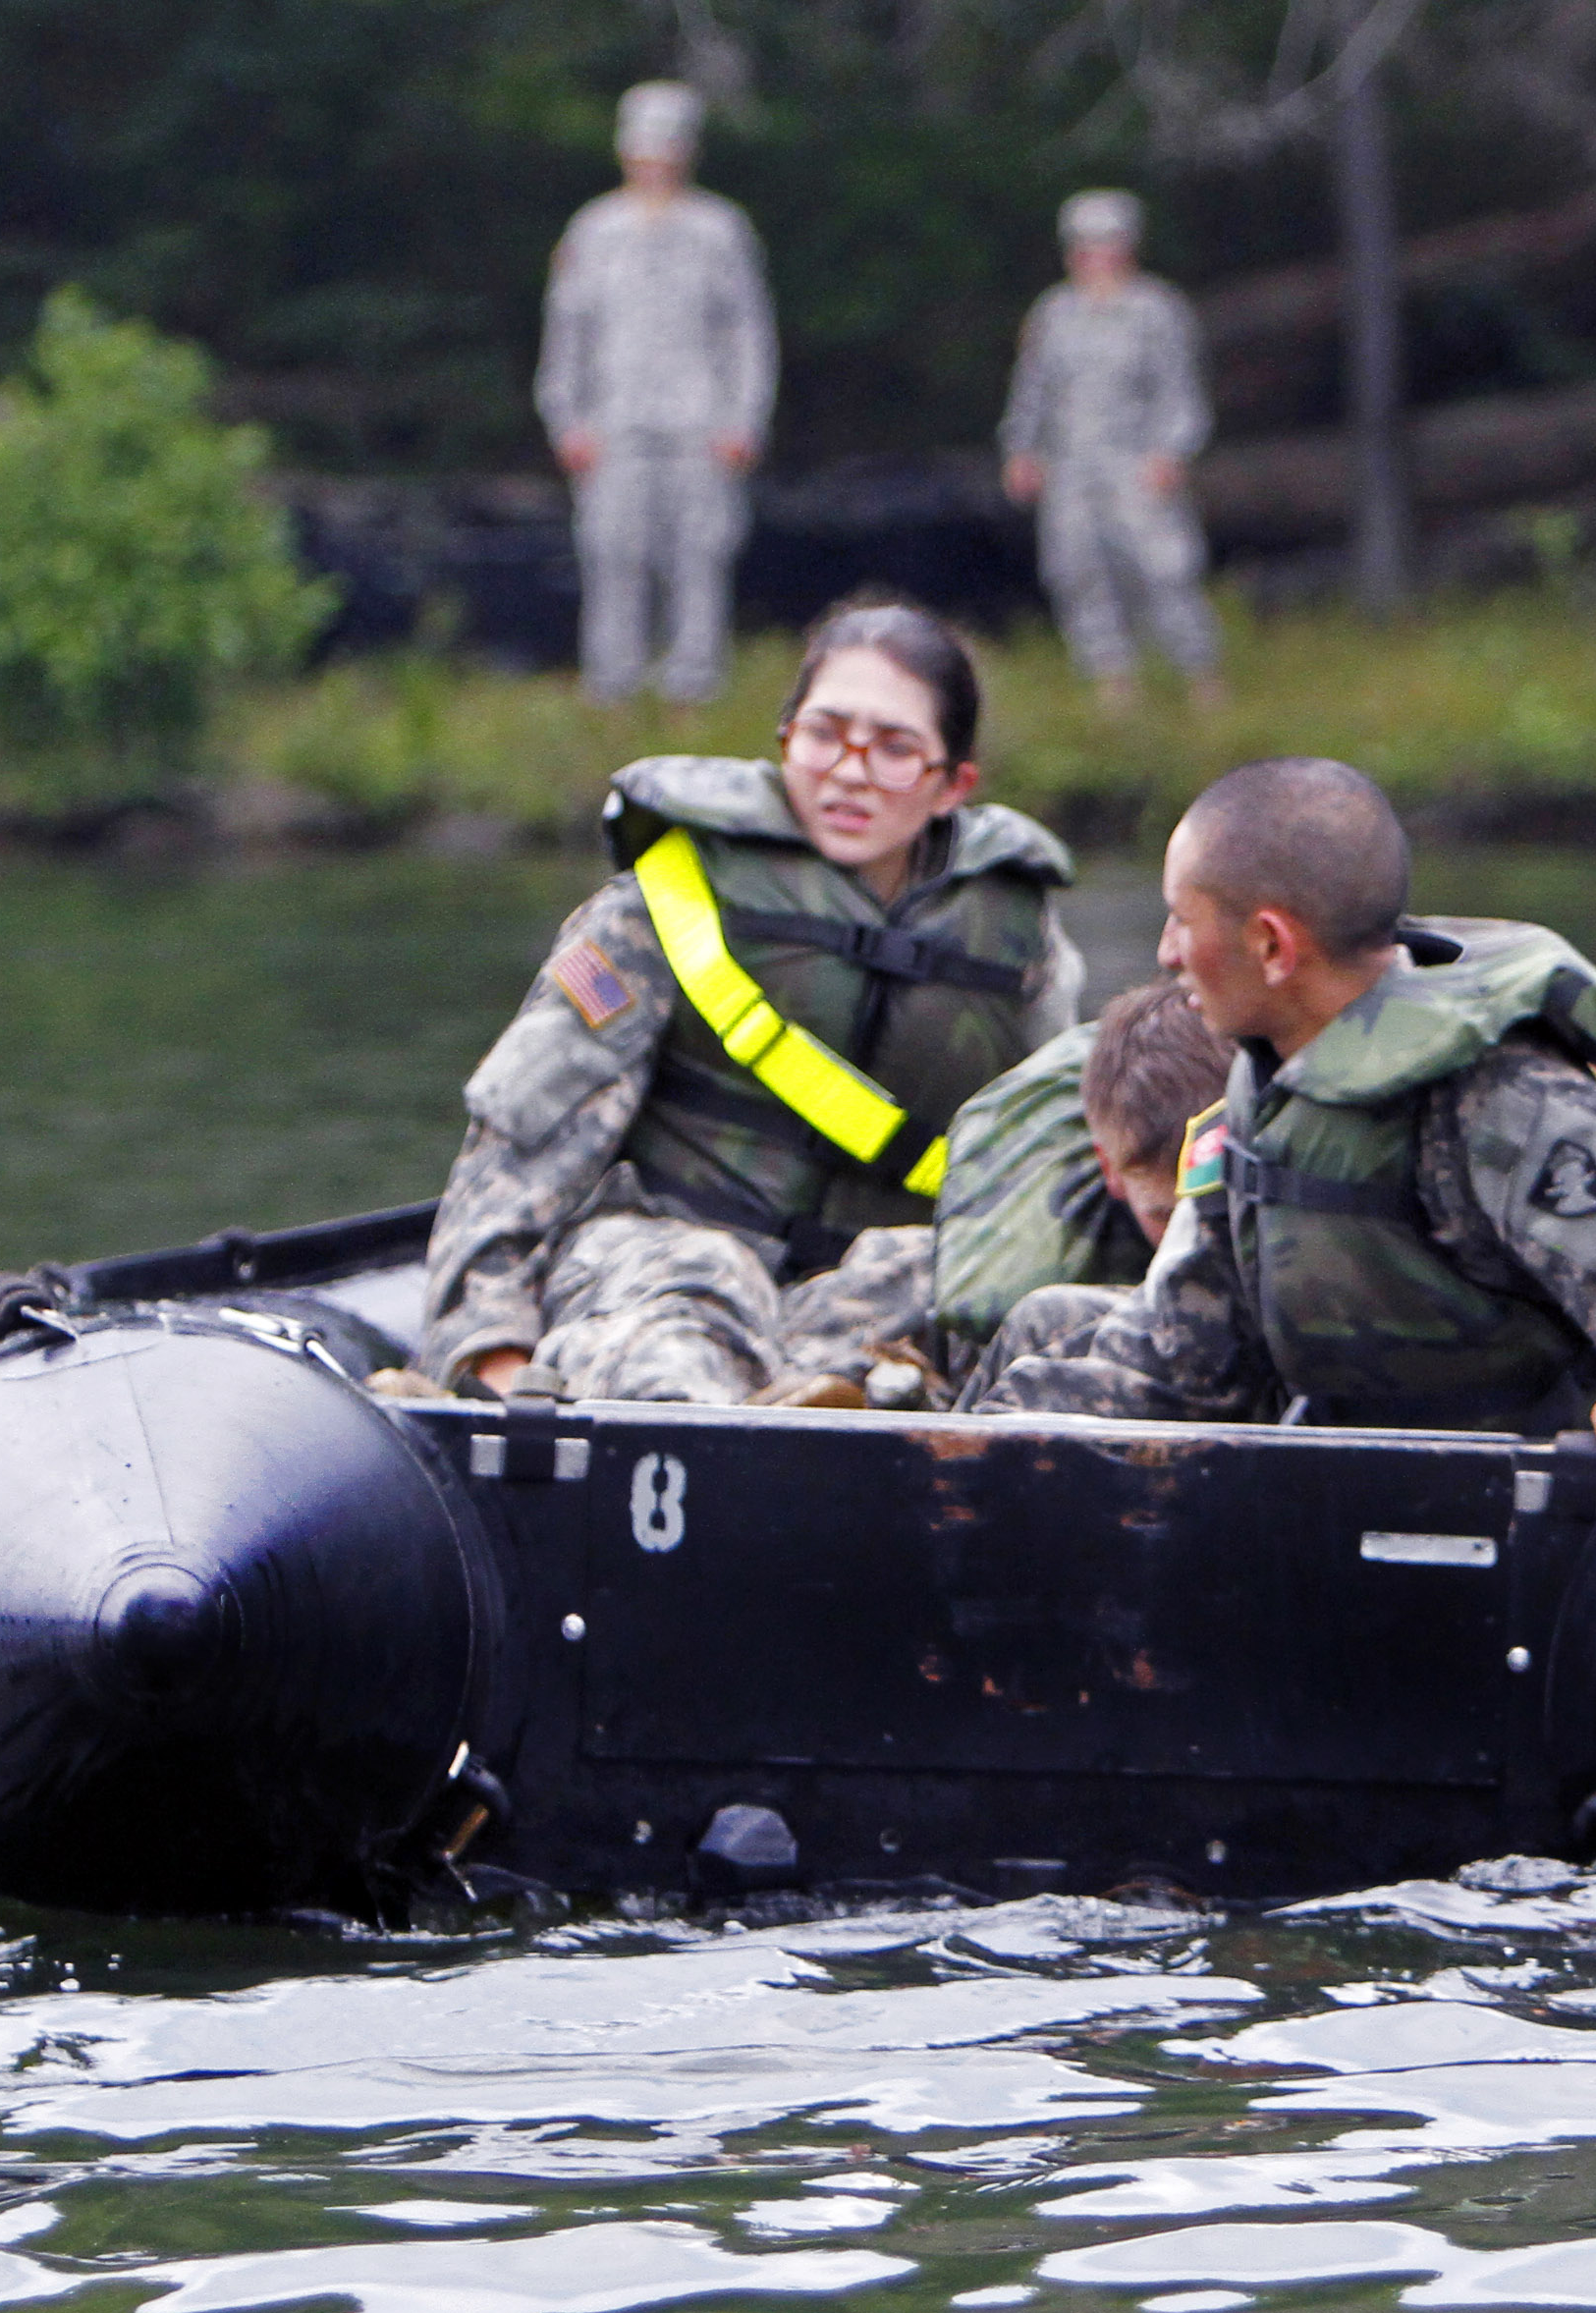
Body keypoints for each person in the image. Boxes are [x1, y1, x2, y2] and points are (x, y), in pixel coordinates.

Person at [969, 758, 1596, 1493]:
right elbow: (1181, 1363)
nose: (1167, 952)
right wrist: (973, 1443)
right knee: (1046, 1333)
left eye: (1183, 921)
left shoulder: (1492, 1099)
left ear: (1271, 945)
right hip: (1352, 1487)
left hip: (1515, 1507)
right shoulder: (1265, 1094)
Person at [415, 600, 1082, 1404]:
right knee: (697, 1291)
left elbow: (1053, 1161)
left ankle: (839, 1395)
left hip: (867, 1290)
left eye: (896, 748)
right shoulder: (664, 903)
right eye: (825, 734)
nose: (850, 770)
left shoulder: (1018, 942)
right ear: (785, 737)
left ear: (952, 786)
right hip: (671, 1256)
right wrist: (488, 1352)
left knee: (959, 1284)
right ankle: (735, 1412)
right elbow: (520, 1152)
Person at [772, 977, 1231, 1403]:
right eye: (1168, 1217)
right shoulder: (1003, 1270)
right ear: (1109, 1169)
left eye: (1217, 1207)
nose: (1195, 1239)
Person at [539, 79, 775, 705]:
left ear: (688, 152)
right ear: (625, 151)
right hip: (614, 422)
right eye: (645, 148)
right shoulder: (593, 230)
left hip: (701, 423)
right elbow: (568, 336)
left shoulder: (721, 229)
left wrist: (744, 420)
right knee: (613, 557)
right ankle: (612, 690)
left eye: (668, 147)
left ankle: (693, 693)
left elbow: (748, 335)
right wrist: (566, 420)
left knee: (700, 560)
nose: (656, 161)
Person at [1000, 189, 1220, 708]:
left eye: (1107, 242)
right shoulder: (1053, 313)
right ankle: (1112, 678)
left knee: (1165, 566)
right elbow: (1032, 390)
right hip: (1070, 463)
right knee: (1077, 569)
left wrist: (1172, 450)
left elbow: (1180, 390)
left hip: (1135, 459)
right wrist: (1021, 450)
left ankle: (1200, 673)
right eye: (1084, 243)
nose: (1095, 254)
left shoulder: (1157, 310)